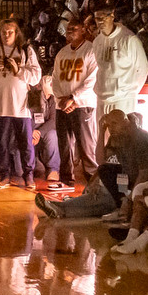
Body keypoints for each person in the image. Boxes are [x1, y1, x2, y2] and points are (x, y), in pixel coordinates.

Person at [0, 18, 43, 189]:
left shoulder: (26, 50)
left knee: (26, 144)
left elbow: (36, 77)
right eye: (3, 32)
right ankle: (4, 175)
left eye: (10, 32)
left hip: (20, 106)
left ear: (16, 33)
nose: (6, 35)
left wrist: (18, 70)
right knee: (1, 144)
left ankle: (29, 176)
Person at [45, 17, 100, 188]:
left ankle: (93, 184)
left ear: (83, 30)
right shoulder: (62, 53)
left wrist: (73, 99)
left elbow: (92, 80)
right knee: (64, 145)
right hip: (63, 105)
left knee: (86, 147)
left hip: (83, 105)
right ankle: (66, 180)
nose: (70, 32)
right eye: (68, 29)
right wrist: (61, 100)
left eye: (74, 29)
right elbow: (55, 79)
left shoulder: (91, 51)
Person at [91, 0, 148, 118]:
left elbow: (143, 69)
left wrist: (129, 92)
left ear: (112, 16)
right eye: (97, 18)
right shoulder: (97, 41)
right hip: (102, 99)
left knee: (121, 130)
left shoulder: (129, 39)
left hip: (123, 100)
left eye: (104, 17)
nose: (101, 21)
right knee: (102, 130)